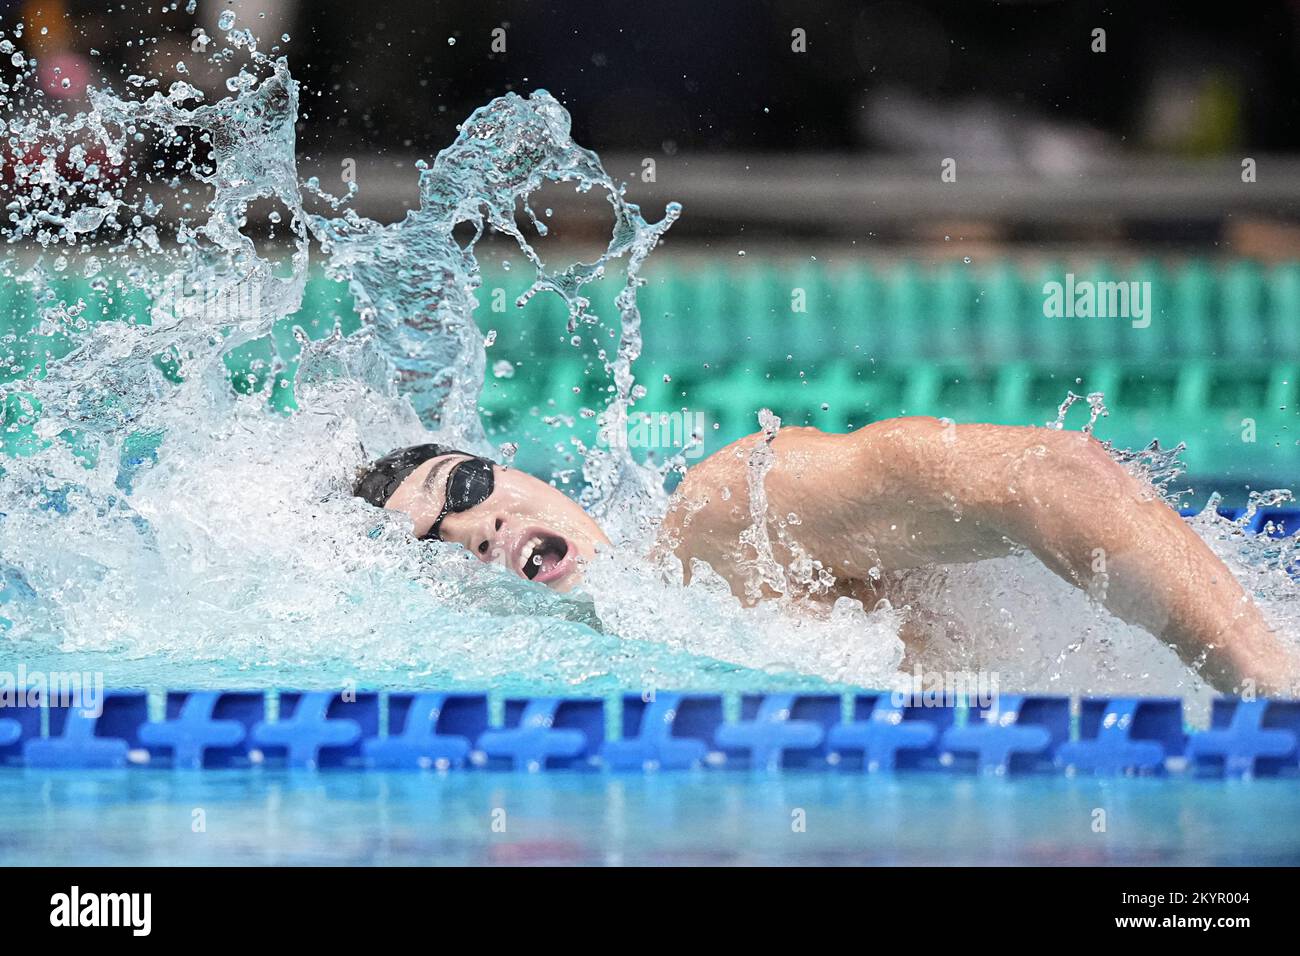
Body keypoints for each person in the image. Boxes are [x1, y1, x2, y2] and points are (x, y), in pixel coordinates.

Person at [354, 417, 1299, 696]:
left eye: (466, 491)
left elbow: (1046, 471)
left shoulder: (723, 522)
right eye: (440, 551)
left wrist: (1264, 682)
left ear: (514, 470)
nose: (477, 534)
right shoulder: (640, 654)